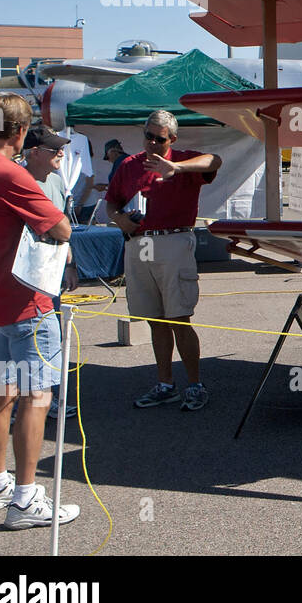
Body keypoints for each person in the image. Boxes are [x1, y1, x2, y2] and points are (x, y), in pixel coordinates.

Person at [0, 93, 79, 529]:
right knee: (36, 397)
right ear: (21, 133)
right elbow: (61, 226)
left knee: (1, 392)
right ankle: (26, 498)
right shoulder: (8, 173)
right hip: (25, 303)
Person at [105, 111, 221, 411]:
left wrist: (177, 168)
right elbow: (111, 202)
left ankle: (195, 384)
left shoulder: (184, 160)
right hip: (138, 243)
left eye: (159, 138)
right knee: (154, 319)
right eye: (149, 136)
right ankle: (165, 383)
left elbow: (214, 161)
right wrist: (119, 220)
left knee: (179, 317)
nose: (153, 142)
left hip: (173, 240)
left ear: (172, 139)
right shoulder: (129, 165)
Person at [21, 127, 80, 418]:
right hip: (24, 272)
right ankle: (27, 402)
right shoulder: (19, 181)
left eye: (61, 148)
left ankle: (47, 399)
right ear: (33, 153)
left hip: (52, 272)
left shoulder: (55, 181)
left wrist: (70, 265)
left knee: (49, 334)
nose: (61, 153)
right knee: (28, 337)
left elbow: (64, 227)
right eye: (53, 149)